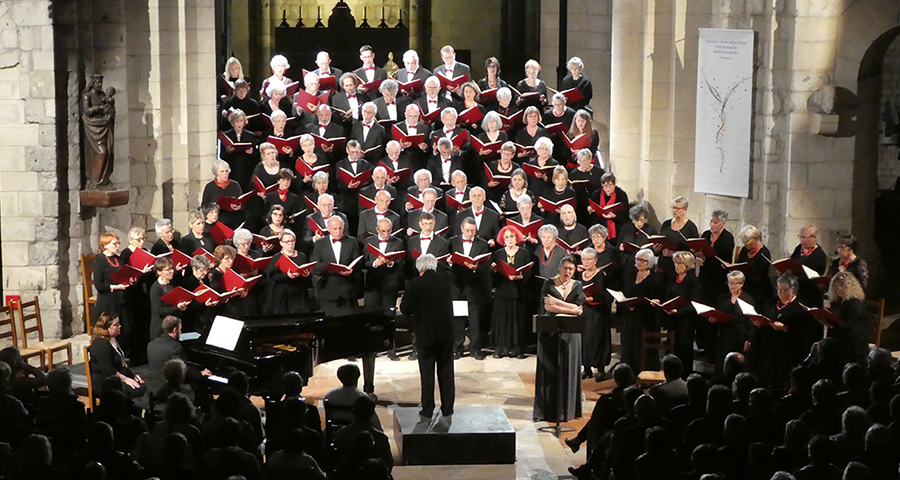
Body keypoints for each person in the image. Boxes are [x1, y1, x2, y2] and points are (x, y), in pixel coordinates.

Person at [401, 254, 456, 418]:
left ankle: (427, 408)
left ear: (419, 269)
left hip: (425, 336)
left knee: (427, 374)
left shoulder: (414, 284)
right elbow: (447, 270)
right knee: (446, 373)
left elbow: (405, 309)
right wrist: (439, 264)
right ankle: (448, 408)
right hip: (446, 335)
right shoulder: (446, 279)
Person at [534, 255, 584, 422]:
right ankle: (546, 411)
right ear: (560, 268)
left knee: (568, 369)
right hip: (550, 332)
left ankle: (567, 411)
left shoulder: (578, 286)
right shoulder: (548, 283)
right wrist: (570, 307)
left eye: (571, 269)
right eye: (565, 268)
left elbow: (579, 309)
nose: (568, 272)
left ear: (575, 270)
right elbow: (547, 306)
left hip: (571, 333)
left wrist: (559, 303)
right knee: (550, 369)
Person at [448, 217, 492, 359]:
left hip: (474, 286)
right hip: (458, 286)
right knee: (458, 318)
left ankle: (475, 348)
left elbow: (485, 266)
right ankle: (457, 347)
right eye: (467, 230)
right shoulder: (452, 242)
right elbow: (448, 262)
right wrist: (450, 262)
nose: (469, 233)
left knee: (475, 319)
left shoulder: (482, 244)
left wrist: (476, 268)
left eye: (472, 231)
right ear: (461, 229)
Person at [656, 251, 702, 374]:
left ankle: (685, 376)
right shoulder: (672, 278)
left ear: (688, 265)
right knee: (672, 349)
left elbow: (694, 304)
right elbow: (667, 296)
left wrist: (678, 311)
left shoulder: (693, 281)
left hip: (686, 322)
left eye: (680, 263)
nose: (677, 266)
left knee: (684, 351)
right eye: (676, 263)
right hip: (672, 321)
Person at [491, 226, 533, 358]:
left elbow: (529, 273)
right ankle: (500, 348)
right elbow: (493, 277)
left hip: (518, 292)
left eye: (512, 236)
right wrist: (494, 271)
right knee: (501, 320)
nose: (509, 239)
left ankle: (517, 349)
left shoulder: (524, 253)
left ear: (517, 238)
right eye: (506, 237)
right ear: (502, 240)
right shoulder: (498, 254)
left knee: (517, 321)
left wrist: (521, 277)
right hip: (502, 292)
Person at [619, 248, 664, 373]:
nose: (639, 262)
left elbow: (656, 299)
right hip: (630, 316)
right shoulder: (631, 274)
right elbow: (625, 291)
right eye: (637, 260)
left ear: (649, 262)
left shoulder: (655, 279)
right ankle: (628, 371)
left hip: (646, 318)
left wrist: (649, 303)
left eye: (643, 260)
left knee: (641, 345)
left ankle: (643, 371)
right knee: (628, 343)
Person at [310, 216, 362, 315]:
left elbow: (359, 263)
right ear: (328, 229)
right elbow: (315, 266)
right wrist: (332, 269)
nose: (338, 231)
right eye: (335, 229)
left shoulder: (352, 241)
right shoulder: (320, 243)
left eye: (340, 228)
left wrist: (352, 269)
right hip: (328, 292)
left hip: (348, 291)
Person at [93, 233, 135, 353]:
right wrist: (116, 287)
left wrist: (130, 280)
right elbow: (99, 285)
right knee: (108, 330)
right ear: (105, 245)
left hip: (121, 298)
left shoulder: (120, 259)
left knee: (125, 329)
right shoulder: (100, 260)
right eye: (114, 243)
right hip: (108, 300)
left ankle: (122, 355)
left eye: (118, 243)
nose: (117, 246)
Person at [578, 245, 614, 381]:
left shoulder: (601, 275)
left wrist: (591, 298)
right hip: (584, 311)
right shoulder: (579, 274)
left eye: (589, 259)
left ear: (595, 260)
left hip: (598, 312)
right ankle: (586, 368)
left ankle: (600, 369)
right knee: (584, 339)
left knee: (597, 339)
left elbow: (604, 294)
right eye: (584, 259)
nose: (586, 262)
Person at [89, 313, 145, 399]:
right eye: (116, 325)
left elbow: (121, 364)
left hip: (117, 379)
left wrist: (133, 376)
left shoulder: (112, 339)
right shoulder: (101, 344)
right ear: (106, 328)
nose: (120, 326)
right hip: (106, 384)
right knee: (138, 391)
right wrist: (126, 379)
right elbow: (108, 369)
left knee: (143, 386)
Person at [713, 271, 756, 375]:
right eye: (729, 283)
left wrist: (748, 339)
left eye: (734, 283)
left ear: (741, 284)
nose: (731, 286)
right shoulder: (723, 298)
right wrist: (714, 319)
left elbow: (750, 321)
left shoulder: (748, 299)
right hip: (724, 335)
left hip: (739, 337)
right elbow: (718, 314)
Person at [264, 229, 312, 314]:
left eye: (292, 241)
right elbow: (272, 276)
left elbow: (308, 276)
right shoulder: (276, 257)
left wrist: (307, 275)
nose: (290, 244)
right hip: (282, 294)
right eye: (287, 242)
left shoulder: (302, 256)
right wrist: (286, 275)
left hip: (299, 294)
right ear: (281, 243)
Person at [81, 74, 116, 187]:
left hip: (103, 125)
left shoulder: (102, 95)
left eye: (101, 83)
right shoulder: (87, 95)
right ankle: (95, 180)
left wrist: (109, 109)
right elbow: (86, 110)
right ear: (92, 83)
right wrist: (98, 108)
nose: (100, 85)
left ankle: (103, 179)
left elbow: (110, 107)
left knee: (108, 152)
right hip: (93, 127)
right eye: (98, 82)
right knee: (101, 152)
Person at [363, 218, 405, 310]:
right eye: (383, 231)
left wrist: (390, 263)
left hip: (389, 285)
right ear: (377, 230)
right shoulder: (369, 241)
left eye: (389, 231)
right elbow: (364, 263)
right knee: (370, 313)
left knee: (388, 314)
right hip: (372, 285)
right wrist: (375, 263)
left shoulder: (398, 242)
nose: (386, 234)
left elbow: (401, 264)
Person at [324, 364, 382, 430]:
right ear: (357, 377)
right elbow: (377, 426)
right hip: (357, 436)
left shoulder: (329, 396)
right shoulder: (363, 398)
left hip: (334, 434)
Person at [827, 271, 868, 365]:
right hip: (838, 339)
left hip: (852, 345)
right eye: (836, 286)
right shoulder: (836, 302)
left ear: (850, 287)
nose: (838, 289)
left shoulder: (856, 304)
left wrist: (833, 325)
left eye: (841, 286)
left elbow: (850, 327)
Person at [655, 196, 700, 275]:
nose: (674, 210)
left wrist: (673, 253)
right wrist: (656, 249)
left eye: (677, 208)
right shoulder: (666, 224)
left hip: (681, 271)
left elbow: (693, 253)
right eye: (673, 207)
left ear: (685, 210)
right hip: (663, 267)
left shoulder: (691, 228)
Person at [148, 257, 189, 339]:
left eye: (172, 268)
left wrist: (182, 306)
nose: (172, 272)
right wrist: (177, 307)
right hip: (160, 329)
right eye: (168, 270)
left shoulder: (172, 283)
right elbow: (159, 311)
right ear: (159, 272)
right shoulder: (155, 288)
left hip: (173, 326)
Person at [219, 108, 258, 192]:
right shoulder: (227, 135)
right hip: (232, 170)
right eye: (237, 121)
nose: (239, 123)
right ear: (232, 123)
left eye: (241, 121)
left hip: (246, 171)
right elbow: (222, 156)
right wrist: (228, 151)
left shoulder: (250, 135)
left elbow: (256, 156)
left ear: (244, 122)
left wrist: (251, 152)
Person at [790, 224, 829, 308]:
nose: (802, 240)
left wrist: (796, 277)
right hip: (796, 291)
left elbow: (815, 278)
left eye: (804, 237)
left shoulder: (819, 255)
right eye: (800, 237)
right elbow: (791, 261)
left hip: (810, 294)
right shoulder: (799, 248)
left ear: (813, 238)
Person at [736, 224, 774, 307]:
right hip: (745, 286)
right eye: (744, 243)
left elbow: (761, 276)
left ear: (757, 239)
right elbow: (739, 265)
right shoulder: (744, 250)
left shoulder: (764, 253)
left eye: (748, 242)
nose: (746, 245)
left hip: (759, 290)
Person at [588, 172, 629, 245]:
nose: (608, 188)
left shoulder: (621, 194)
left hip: (616, 225)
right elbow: (592, 212)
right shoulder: (597, 194)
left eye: (610, 185)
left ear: (615, 184)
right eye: (605, 186)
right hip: (600, 224)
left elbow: (625, 214)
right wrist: (590, 210)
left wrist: (615, 216)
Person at [201, 159, 243, 229]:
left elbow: (241, 200)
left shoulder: (235, 185)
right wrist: (214, 205)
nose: (225, 174)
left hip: (233, 218)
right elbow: (204, 206)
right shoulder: (210, 187)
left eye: (226, 171)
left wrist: (239, 206)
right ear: (216, 173)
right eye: (222, 171)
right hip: (216, 219)